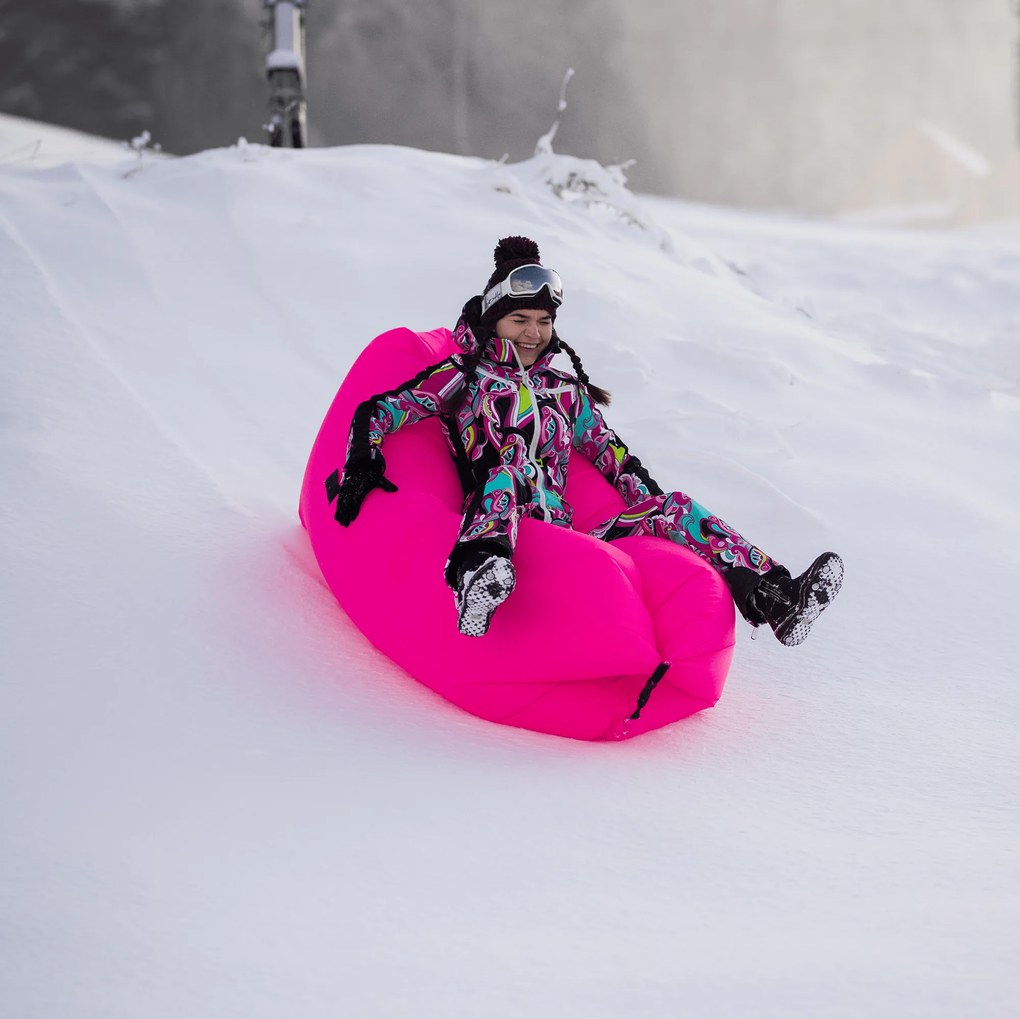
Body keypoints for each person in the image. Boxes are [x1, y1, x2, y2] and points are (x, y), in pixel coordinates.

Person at [328, 236, 843, 642]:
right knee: (513, 469)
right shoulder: (464, 376)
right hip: (504, 531)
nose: (533, 333)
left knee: (677, 506)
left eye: (544, 322)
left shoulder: (564, 391)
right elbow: (383, 409)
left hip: (567, 539)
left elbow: (612, 454)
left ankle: (778, 600)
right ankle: (475, 581)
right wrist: (362, 462)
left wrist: (657, 512)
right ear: (493, 320)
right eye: (520, 320)